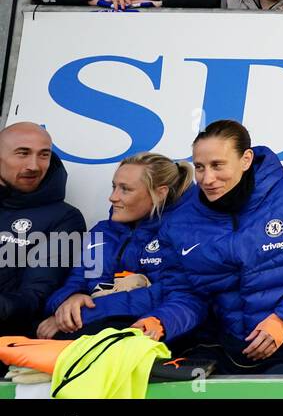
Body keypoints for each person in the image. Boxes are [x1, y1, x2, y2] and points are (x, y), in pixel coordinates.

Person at [131, 120, 283, 374]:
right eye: (200, 167)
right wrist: (161, 321)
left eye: (217, 165)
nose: (208, 178)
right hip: (227, 345)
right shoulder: (180, 222)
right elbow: (187, 293)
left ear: (246, 160)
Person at [37, 154, 192, 339]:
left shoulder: (182, 236)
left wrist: (87, 313)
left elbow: (173, 296)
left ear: (160, 193)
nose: (112, 197)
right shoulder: (102, 231)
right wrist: (70, 300)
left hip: (143, 333)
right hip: (93, 327)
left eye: (125, 189)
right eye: (114, 187)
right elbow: (81, 278)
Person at [0, 123, 86, 337]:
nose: (34, 165)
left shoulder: (65, 218)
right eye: (23, 153)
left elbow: (36, 296)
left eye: (44, 155)